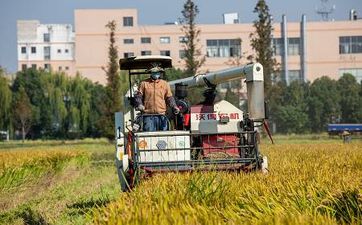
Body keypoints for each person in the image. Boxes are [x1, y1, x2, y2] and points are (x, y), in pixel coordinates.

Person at [134, 66, 180, 131]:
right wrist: (139, 104)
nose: (156, 74)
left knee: (164, 137)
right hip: (148, 116)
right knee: (149, 137)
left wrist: (174, 106)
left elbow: (169, 98)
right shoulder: (144, 83)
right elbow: (138, 96)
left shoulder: (165, 84)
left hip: (162, 116)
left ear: (160, 73)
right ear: (151, 73)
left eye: (157, 72)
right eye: (154, 72)